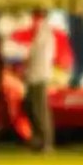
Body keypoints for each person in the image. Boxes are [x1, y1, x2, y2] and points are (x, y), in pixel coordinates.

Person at [24, 9, 55, 153]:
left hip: (39, 75)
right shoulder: (41, 32)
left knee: (40, 110)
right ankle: (38, 140)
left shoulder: (44, 32)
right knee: (34, 109)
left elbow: (38, 54)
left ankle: (45, 142)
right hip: (34, 75)